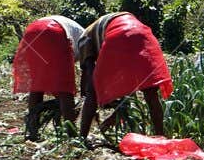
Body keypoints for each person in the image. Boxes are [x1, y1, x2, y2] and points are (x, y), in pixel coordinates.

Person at [76, 12, 172, 142]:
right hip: (143, 33)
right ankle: (161, 137)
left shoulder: (83, 39)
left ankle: (81, 138)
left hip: (119, 36)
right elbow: (127, 87)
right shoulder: (100, 30)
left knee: (92, 89)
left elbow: (89, 78)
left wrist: (89, 98)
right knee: (150, 93)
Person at [12, 15, 84, 140]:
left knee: (37, 84)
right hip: (54, 32)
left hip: (32, 31)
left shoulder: (80, 33)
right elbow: (83, 76)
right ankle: (72, 134)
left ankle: (32, 129)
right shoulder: (87, 42)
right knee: (65, 87)